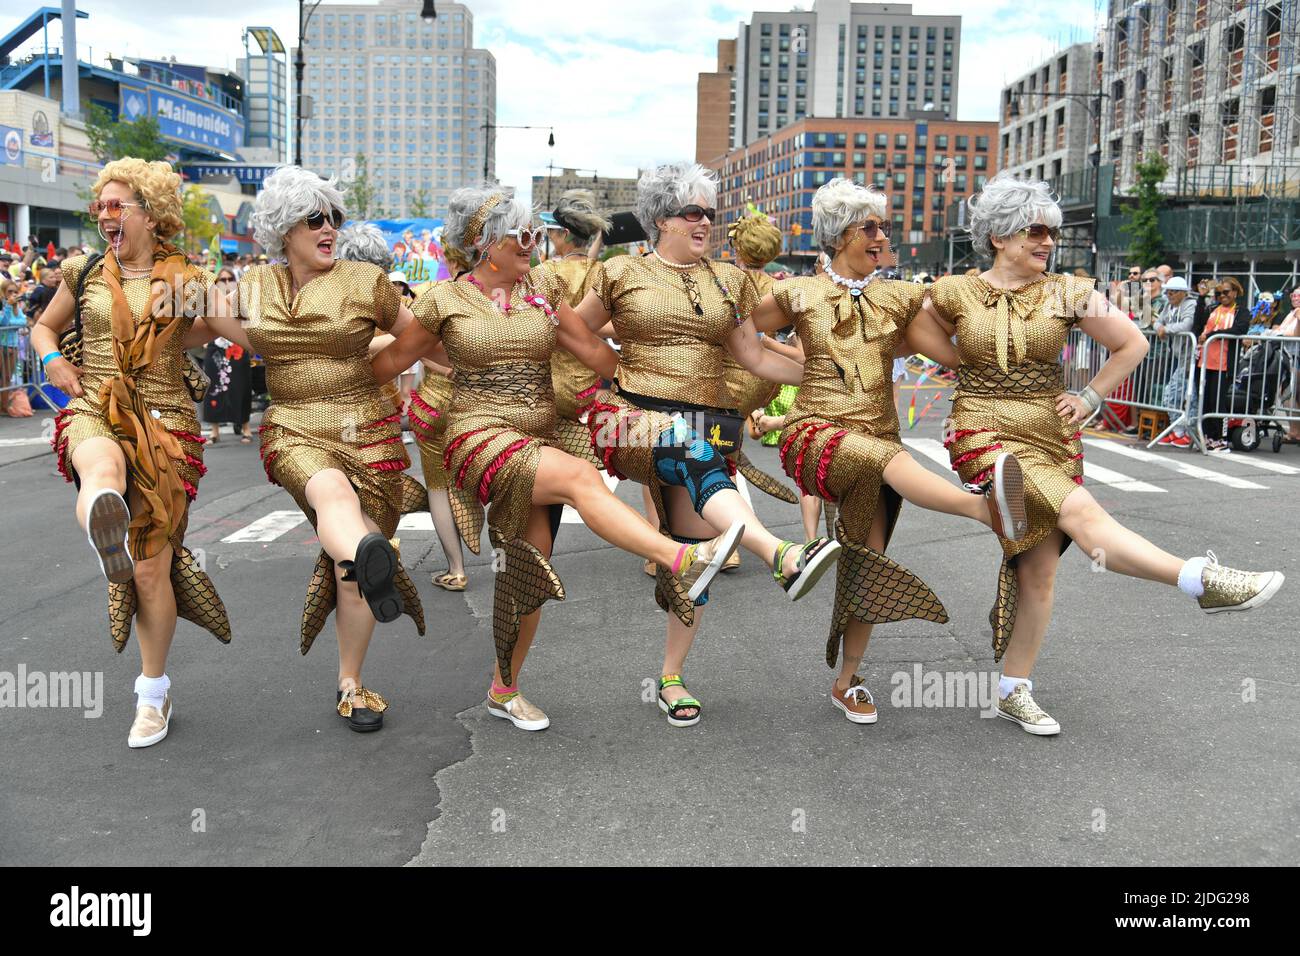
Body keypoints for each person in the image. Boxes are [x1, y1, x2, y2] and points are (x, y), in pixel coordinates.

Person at [908, 173, 1285, 736]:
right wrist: (968, 367)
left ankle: (1014, 690)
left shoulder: (1068, 290)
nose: (1046, 241)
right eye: (1033, 230)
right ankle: (1199, 580)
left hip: (1052, 433)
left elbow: (1132, 343)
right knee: (1083, 516)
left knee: (1038, 573)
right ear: (998, 237)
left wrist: (1088, 395)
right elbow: (913, 331)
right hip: (982, 430)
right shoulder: (954, 291)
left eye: (1050, 232)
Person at [371, 183, 744, 732]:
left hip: (542, 433)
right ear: (483, 243)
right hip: (478, 434)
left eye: (532, 232)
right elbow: (394, 360)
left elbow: (597, 354)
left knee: (530, 571)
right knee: (578, 476)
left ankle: (504, 688)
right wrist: (329, 394)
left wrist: (671, 374)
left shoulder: (542, 295)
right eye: (517, 233)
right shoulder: (444, 301)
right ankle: (681, 558)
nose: (530, 241)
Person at [568, 162, 842, 728]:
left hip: (705, 424)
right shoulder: (621, 274)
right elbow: (574, 330)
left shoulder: (729, 279)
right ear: (660, 219)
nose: (706, 222)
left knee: (697, 563)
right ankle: (781, 554)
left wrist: (819, 376)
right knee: (680, 443)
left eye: (710, 213)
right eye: (693, 212)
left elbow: (756, 357)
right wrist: (605, 369)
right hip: (629, 419)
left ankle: (670, 679)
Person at [748, 178, 1028, 723]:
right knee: (876, 458)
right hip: (815, 434)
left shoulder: (899, 298)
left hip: (880, 437)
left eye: (882, 225)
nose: (881, 236)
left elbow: (951, 352)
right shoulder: (796, 293)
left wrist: (1016, 356)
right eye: (868, 227)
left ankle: (847, 680)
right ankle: (984, 508)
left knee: (868, 561)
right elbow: (739, 336)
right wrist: (793, 369)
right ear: (838, 237)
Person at [198, 165, 427, 734]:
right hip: (294, 428)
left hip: (369, 430)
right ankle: (373, 552)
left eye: (334, 218)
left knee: (349, 572)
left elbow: (417, 333)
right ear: (282, 230)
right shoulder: (250, 288)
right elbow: (203, 321)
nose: (329, 228)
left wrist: (384, 362)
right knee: (328, 493)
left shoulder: (364, 281)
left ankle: (351, 681)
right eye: (314, 219)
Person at [30, 157, 230, 748]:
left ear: (152, 212)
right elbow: (44, 328)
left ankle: (153, 694)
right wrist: (53, 360)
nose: (105, 217)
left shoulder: (187, 280)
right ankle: (103, 526)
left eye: (118, 206)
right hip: (95, 400)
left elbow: (232, 329)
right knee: (101, 464)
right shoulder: (83, 270)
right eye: (100, 207)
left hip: (167, 422)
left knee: (149, 569)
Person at [1196, 276, 1250, 452]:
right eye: (1218, 293)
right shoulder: (1212, 308)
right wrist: (1201, 297)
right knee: (1204, 402)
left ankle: (1221, 439)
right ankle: (1207, 437)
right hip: (1204, 362)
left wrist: (1214, 334)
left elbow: (1240, 329)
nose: (1222, 296)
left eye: (1226, 292)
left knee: (1217, 402)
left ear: (1235, 292)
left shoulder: (1241, 311)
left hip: (1223, 364)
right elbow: (1198, 325)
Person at [200, 267, 253, 444]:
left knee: (240, 387)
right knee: (214, 388)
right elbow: (198, 322)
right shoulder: (210, 299)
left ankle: (245, 428)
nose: (226, 282)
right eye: (221, 279)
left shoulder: (242, 297)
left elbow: (250, 323)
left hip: (237, 348)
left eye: (229, 278)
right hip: (216, 349)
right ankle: (214, 432)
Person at [1154, 276, 1198, 447]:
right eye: (1167, 291)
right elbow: (1157, 322)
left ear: (1182, 293)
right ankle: (1178, 431)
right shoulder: (1169, 306)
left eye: (1172, 291)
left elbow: (1187, 325)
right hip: (1178, 356)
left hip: (1190, 357)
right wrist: (1161, 328)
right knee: (1176, 394)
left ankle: (1185, 432)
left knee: (1182, 395)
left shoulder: (1190, 305)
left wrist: (1166, 329)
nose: (1169, 294)